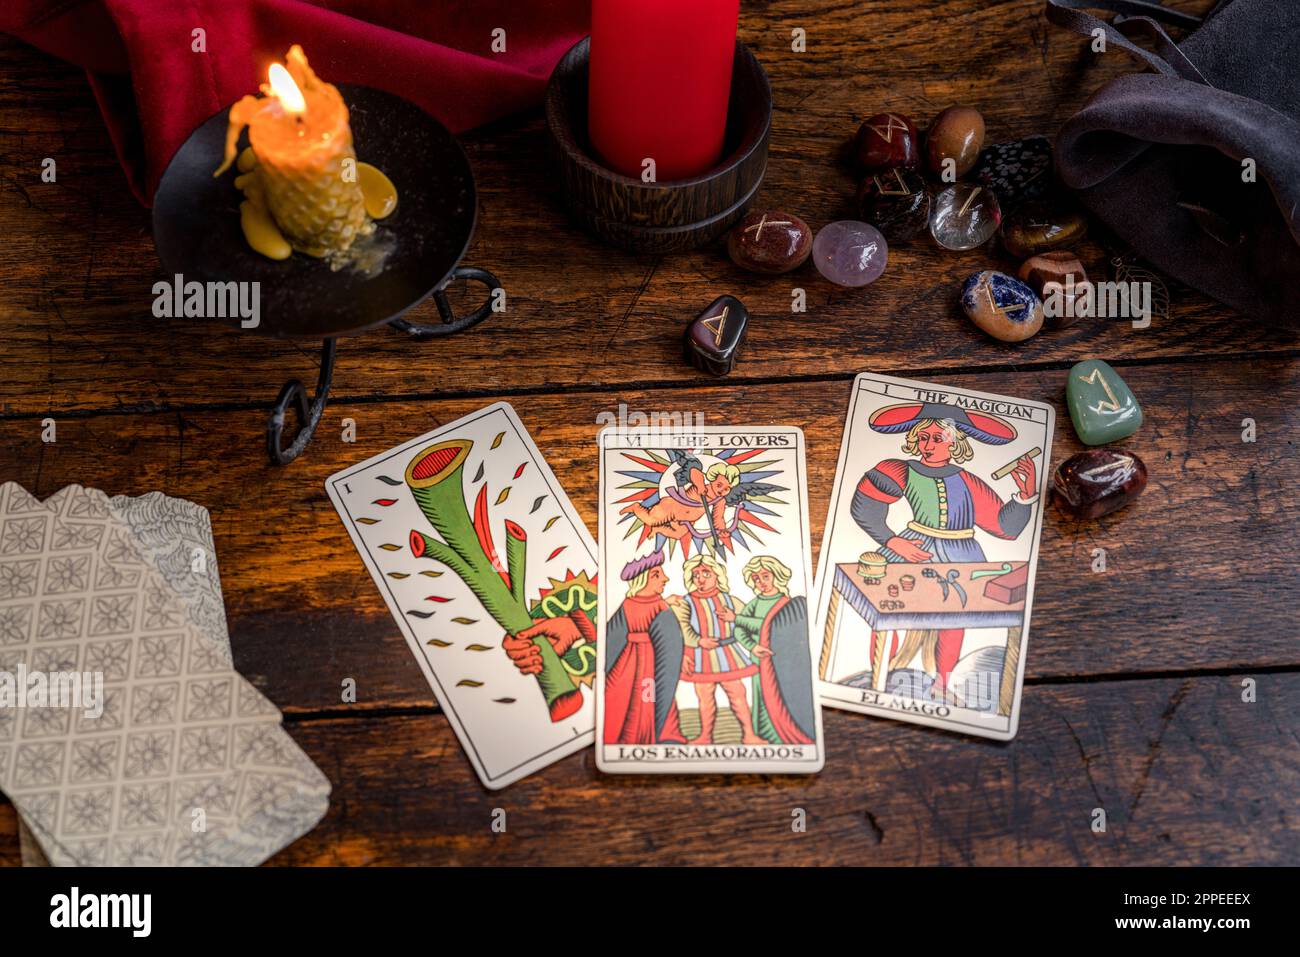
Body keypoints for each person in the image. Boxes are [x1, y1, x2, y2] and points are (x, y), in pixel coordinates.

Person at [851, 401, 1037, 693]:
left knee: (954, 620)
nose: (928, 445)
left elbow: (1006, 528)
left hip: (962, 556)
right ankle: (880, 675)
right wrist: (892, 540)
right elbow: (865, 507)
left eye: (938, 438)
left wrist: (1026, 494)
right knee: (888, 610)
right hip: (913, 548)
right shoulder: (900, 470)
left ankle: (942, 683)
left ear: (955, 444)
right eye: (923, 437)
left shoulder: (968, 481)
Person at [667, 554, 763, 745]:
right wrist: (698, 641)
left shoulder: (730, 600)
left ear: (717, 575)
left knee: (738, 693)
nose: (700, 578)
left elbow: (745, 625)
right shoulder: (686, 602)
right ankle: (705, 737)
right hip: (701, 656)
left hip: (728, 653)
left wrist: (737, 622)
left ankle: (749, 735)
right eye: (696, 575)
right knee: (705, 697)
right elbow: (681, 628)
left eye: (705, 573)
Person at [602, 549, 685, 744]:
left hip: (637, 661)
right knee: (643, 697)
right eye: (657, 574)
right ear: (645, 578)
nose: (665, 578)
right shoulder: (651, 606)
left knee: (648, 696)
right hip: (643, 663)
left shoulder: (633, 604)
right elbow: (611, 637)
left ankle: (655, 734)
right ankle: (644, 736)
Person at [733, 556, 815, 745]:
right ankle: (763, 735)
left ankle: (784, 734)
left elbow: (769, 626)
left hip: (783, 662)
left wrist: (737, 618)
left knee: (784, 698)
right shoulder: (754, 603)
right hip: (759, 660)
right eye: (756, 578)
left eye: (765, 576)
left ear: (776, 575)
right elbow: (739, 631)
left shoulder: (788, 604)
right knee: (761, 699)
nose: (761, 582)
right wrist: (753, 646)